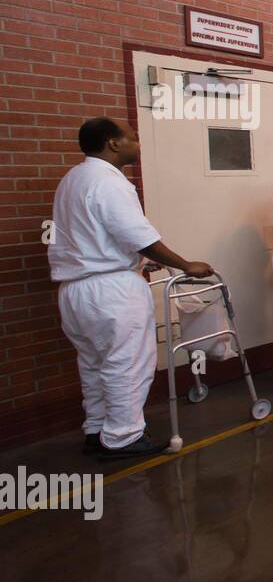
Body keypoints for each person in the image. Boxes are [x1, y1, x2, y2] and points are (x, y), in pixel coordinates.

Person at [49, 116, 213, 458]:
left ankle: (97, 429)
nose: (137, 144)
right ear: (113, 143)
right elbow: (137, 235)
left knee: (94, 363)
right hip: (110, 291)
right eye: (133, 138)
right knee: (126, 363)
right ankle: (123, 436)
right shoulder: (109, 182)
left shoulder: (73, 178)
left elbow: (95, 234)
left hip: (75, 289)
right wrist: (185, 265)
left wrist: (132, 260)